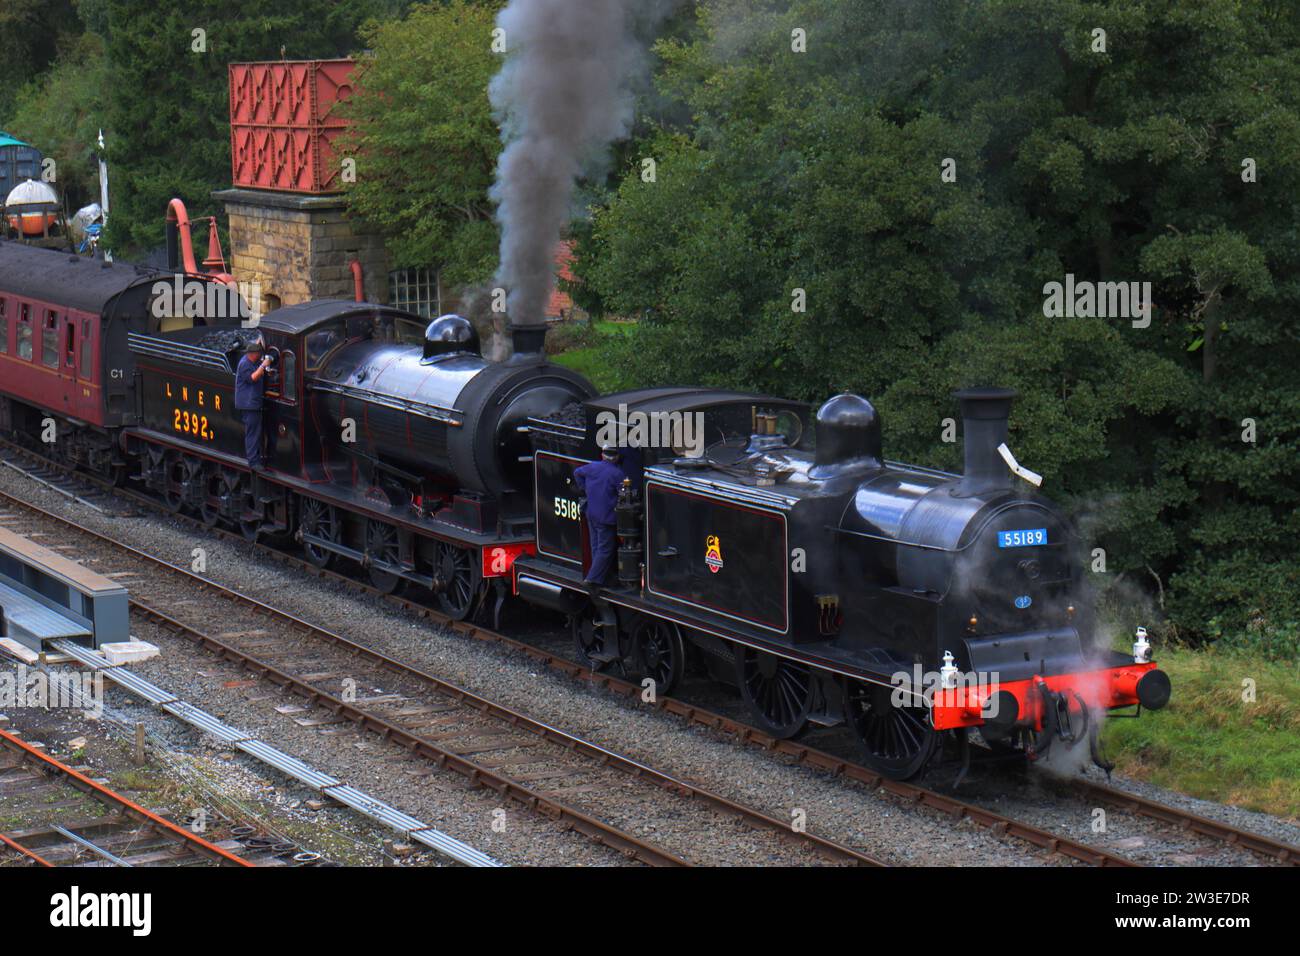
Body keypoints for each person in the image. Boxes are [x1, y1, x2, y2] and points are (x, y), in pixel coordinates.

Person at [573, 445, 625, 586]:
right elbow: (624, 494)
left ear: (602, 455)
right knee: (605, 549)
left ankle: (602, 577)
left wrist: (585, 489)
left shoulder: (592, 467)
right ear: (617, 457)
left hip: (591, 513)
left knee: (595, 546)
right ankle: (593, 579)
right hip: (606, 516)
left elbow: (577, 473)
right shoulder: (617, 474)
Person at [234, 337, 274, 469]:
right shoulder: (245, 364)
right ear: (252, 354)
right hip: (248, 404)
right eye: (258, 354)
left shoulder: (251, 360)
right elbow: (253, 378)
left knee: (255, 431)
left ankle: (258, 458)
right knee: (252, 433)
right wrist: (263, 365)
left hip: (253, 402)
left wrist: (260, 340)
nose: (259, 356)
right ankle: (253, 462)